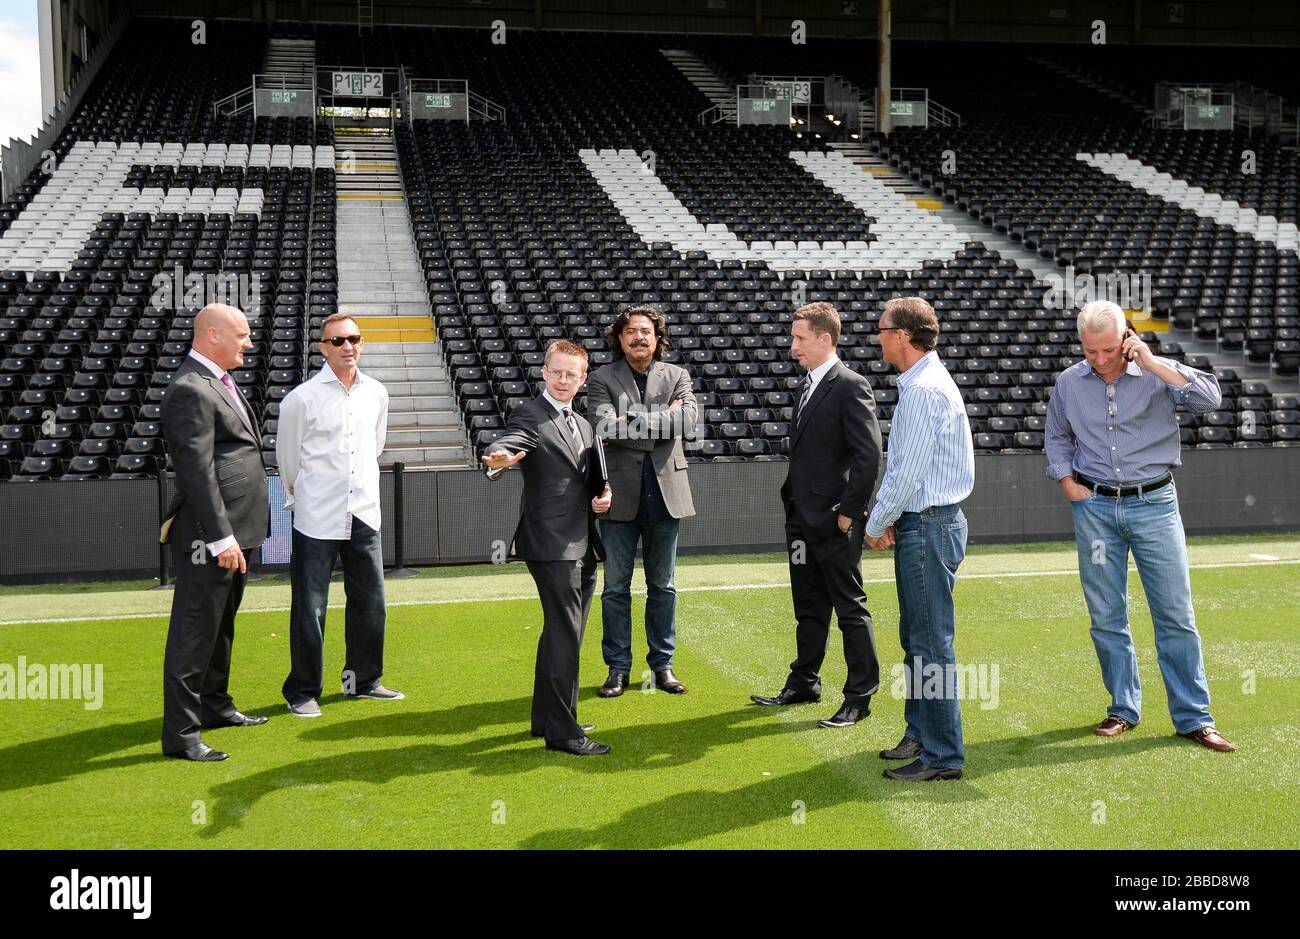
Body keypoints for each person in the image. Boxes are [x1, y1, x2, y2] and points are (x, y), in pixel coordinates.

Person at [1045, 300, 1235, 752]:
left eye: (1109, 349)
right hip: (1094, 508)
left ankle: (1194, 717)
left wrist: (1152, 361)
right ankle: (1122, 708)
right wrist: (1067, 480)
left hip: (1154, 503)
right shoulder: (1069, 383)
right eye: (1090, 351)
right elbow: (1056, 435)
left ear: (1127, 337)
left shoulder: (1154, 370)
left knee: (1175, 614)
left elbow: (1210, 400)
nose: (1100, 360)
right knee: (1106, 615)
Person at [751, 302, 883, 729]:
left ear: (825, 339)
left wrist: (848, 515)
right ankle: (804, 681)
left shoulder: (851, 385)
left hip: (833, 523)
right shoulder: (807, 385)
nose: (793, 347)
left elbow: (869, 457)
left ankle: (859, 698)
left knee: (850, 609)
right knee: (808, 606)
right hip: (800, 519)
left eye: (800, 338)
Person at [481, 339, 613, 755]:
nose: (562, 380)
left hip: (583, 542)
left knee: (562, 632)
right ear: (543, 372)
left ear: (582, 379)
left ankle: (550, 717)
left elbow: (585, 480)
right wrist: (498, 456)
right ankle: (563, 733)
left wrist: (601, 498)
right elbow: (510, 442)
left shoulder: (586, 424)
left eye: (570, 374)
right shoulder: (530, 415)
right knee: (564, 635)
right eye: (555, 372)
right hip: (551, 544)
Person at [864, 297, 975, 782]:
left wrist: (875, 522)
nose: (878, 336)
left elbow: (905, 471)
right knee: (919, 639)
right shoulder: (923, 383)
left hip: (928, 523)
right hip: (929, 521)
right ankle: (920, 732)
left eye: (883, 328)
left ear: (904, 335)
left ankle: (942, 755)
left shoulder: (923, 390)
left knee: (930, 643)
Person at [277, 312, 402, 718]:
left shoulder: (377, 393)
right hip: (316, 516)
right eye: (338, 341)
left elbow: (376, 446)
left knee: (371, 603)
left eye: (354, 339)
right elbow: (289, 463)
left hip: (364, 512)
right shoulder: (300, 399)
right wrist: (308, 496)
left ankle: (363, 682)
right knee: (310, 607)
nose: (347, 346)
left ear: (361, 344)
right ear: (322, 348)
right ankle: (302, 691)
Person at [159, 303, 270, 762]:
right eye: (241, 335)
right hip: (213, 534)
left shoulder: (214, 382)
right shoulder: (191, 388)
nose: (248, 343)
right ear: (211, 334)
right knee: (195, 630)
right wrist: (220, 537)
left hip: (234, 529)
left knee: (221, 624)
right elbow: (196, 471)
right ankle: (182, 736)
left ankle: (215, 705)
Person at [584, 305, 697, 699]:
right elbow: (602, 426)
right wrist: (660, 419)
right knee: (615, 587)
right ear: (619, 338)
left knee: (662, 585)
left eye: (646, 331)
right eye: (631, 331)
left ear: (657, 337)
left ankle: (662, 666)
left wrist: (630, 420)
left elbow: (688, 422)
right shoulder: (600, 378)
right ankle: (618, 668)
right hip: (617, 497)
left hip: (666, 496)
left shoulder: (678, 375)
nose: (639, 337)